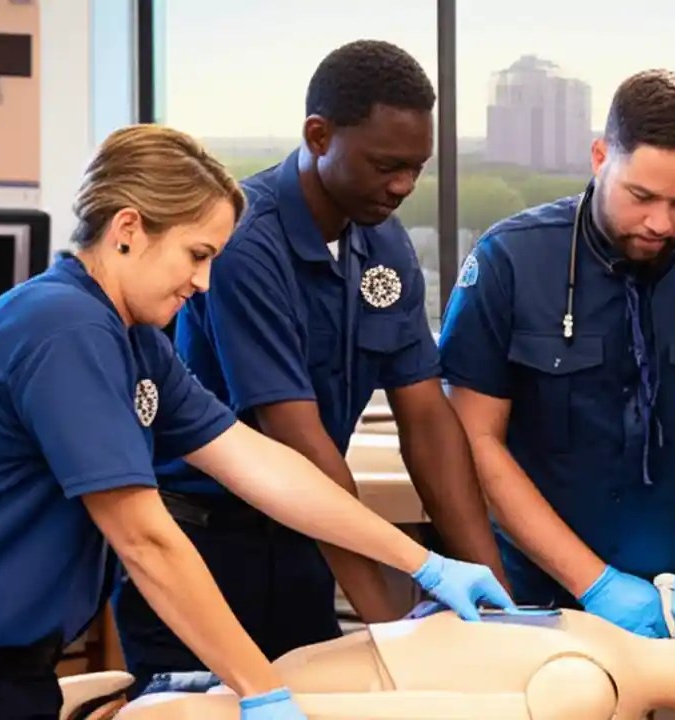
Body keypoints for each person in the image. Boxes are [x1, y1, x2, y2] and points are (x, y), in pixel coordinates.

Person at [0, 124, 513, 720]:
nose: (202, 283)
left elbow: (262, 465)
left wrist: (422, 562)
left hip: (15, 671)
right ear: (127, 230)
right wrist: (259, 690)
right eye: (196, 255)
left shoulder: (134, 341)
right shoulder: (63, 328)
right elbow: (146, 539)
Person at [112, 40, 507, 695]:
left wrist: (494, 601)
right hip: (206, 545)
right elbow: (295, 438)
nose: (403, 187)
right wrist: (390, 625)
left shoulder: (383, 242)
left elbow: (428, 421)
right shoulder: (242, 240)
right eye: (386, 165)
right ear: (318, 136)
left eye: (417, 168)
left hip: (303, 543)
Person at [437, 69, 675, 636]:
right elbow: (473, 438)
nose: (661, 223)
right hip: (543, 601)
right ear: (599, 156)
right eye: (641, 196)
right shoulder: (509, 261)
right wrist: (594, 582)